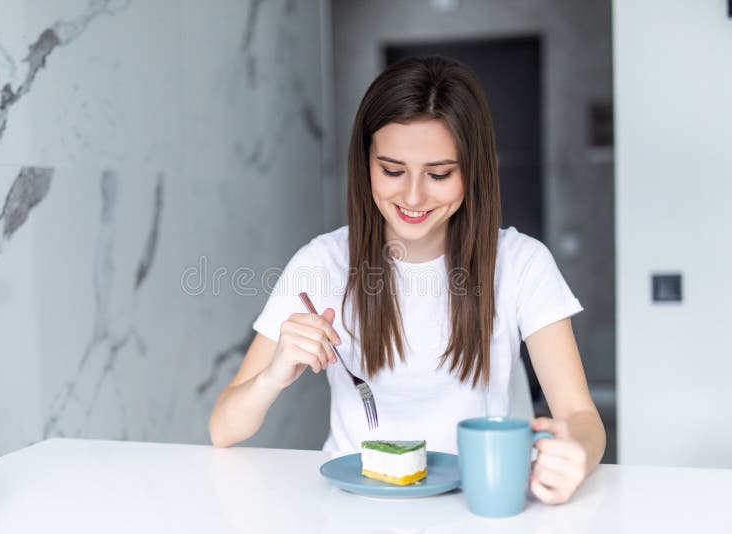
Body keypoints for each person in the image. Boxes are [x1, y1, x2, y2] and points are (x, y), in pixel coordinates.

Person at [209, 56, 605, 505]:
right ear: (365, 165)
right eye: (392, 171)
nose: (413, 196)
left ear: (472, 171)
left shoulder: (521, 263)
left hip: (480, 504)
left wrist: (578, 453)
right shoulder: (320, 264)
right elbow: (223, 428)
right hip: (352, 509)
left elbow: (580, 415)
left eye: (439, 174)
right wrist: (273, 375)